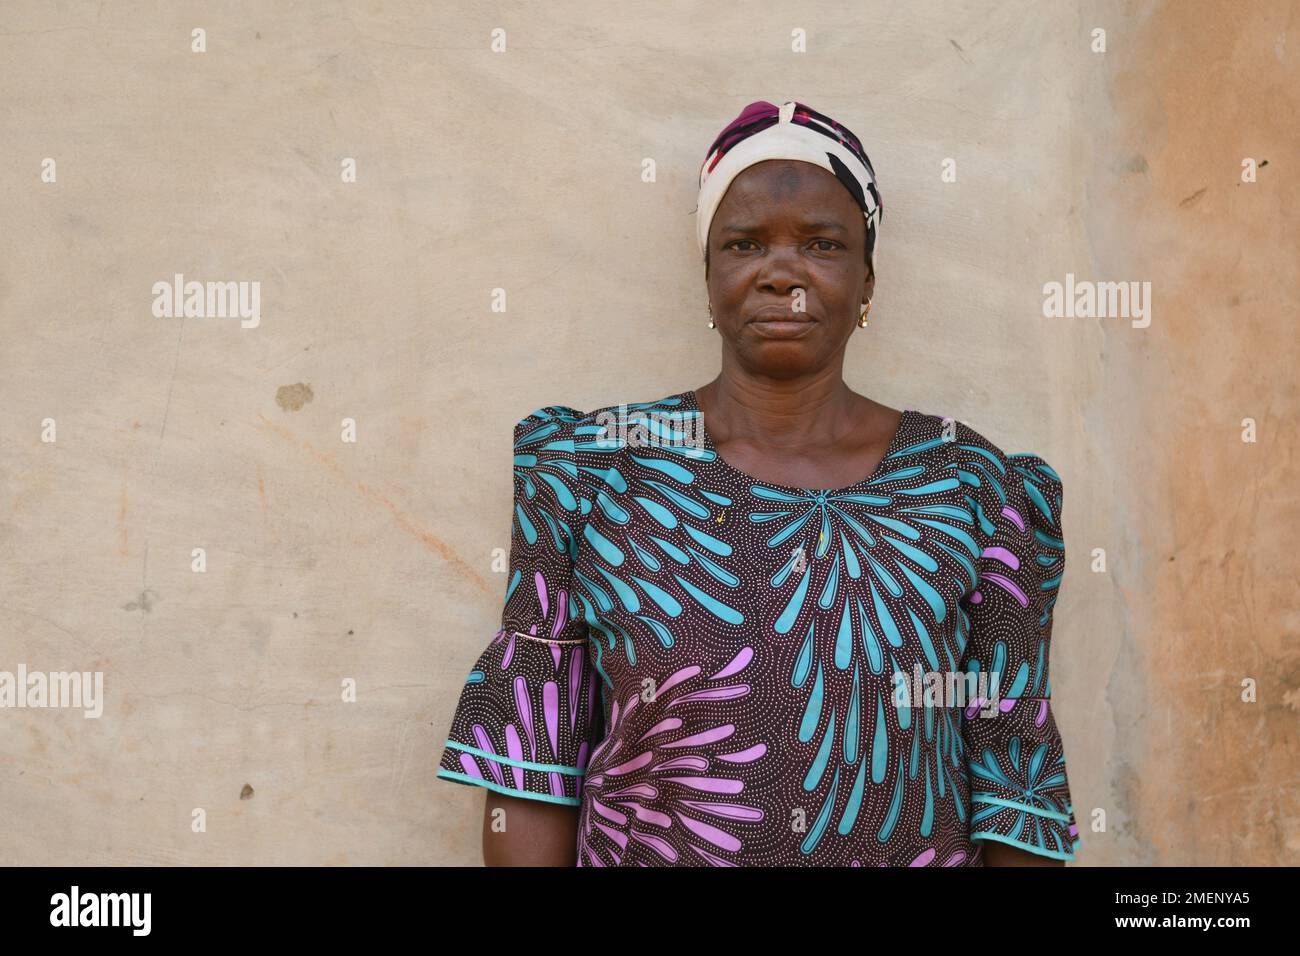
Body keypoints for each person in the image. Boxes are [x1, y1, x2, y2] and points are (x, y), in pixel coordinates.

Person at [436, 99, 1080, 867]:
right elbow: (532, 765)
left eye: (822, 243)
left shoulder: (970, 485)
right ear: (708, 278)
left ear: (867, 280)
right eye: (744, 244)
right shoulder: (593, 468)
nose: (782, 272)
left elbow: (1015, 778)